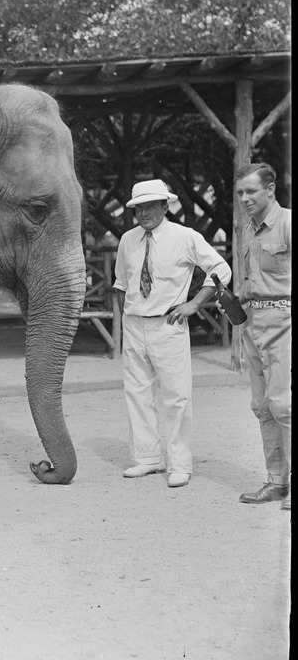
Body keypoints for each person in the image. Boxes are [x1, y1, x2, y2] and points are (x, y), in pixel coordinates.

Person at [113, 179, 232, 489]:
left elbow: (221, 269)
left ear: (166, 206)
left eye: (152, 206)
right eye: (139, 207)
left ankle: (180, 464)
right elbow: (121, 285)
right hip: (134, 323)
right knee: (137, 391)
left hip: (168, 323)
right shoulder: (128, 240)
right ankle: (148, 458)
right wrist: (120, 325)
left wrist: (194, 303)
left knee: (176, 396)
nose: (144, 213)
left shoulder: (185, 237)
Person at [233, 163, 291, 511]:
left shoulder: (287, 223)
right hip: (253, 323)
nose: (244, 198)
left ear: (270, 189)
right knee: (262, 407)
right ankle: (276, 482)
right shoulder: (248, 230)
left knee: (285, 404)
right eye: (240, 192)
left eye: (251, 191)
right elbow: (250, 281)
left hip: (284, 322)